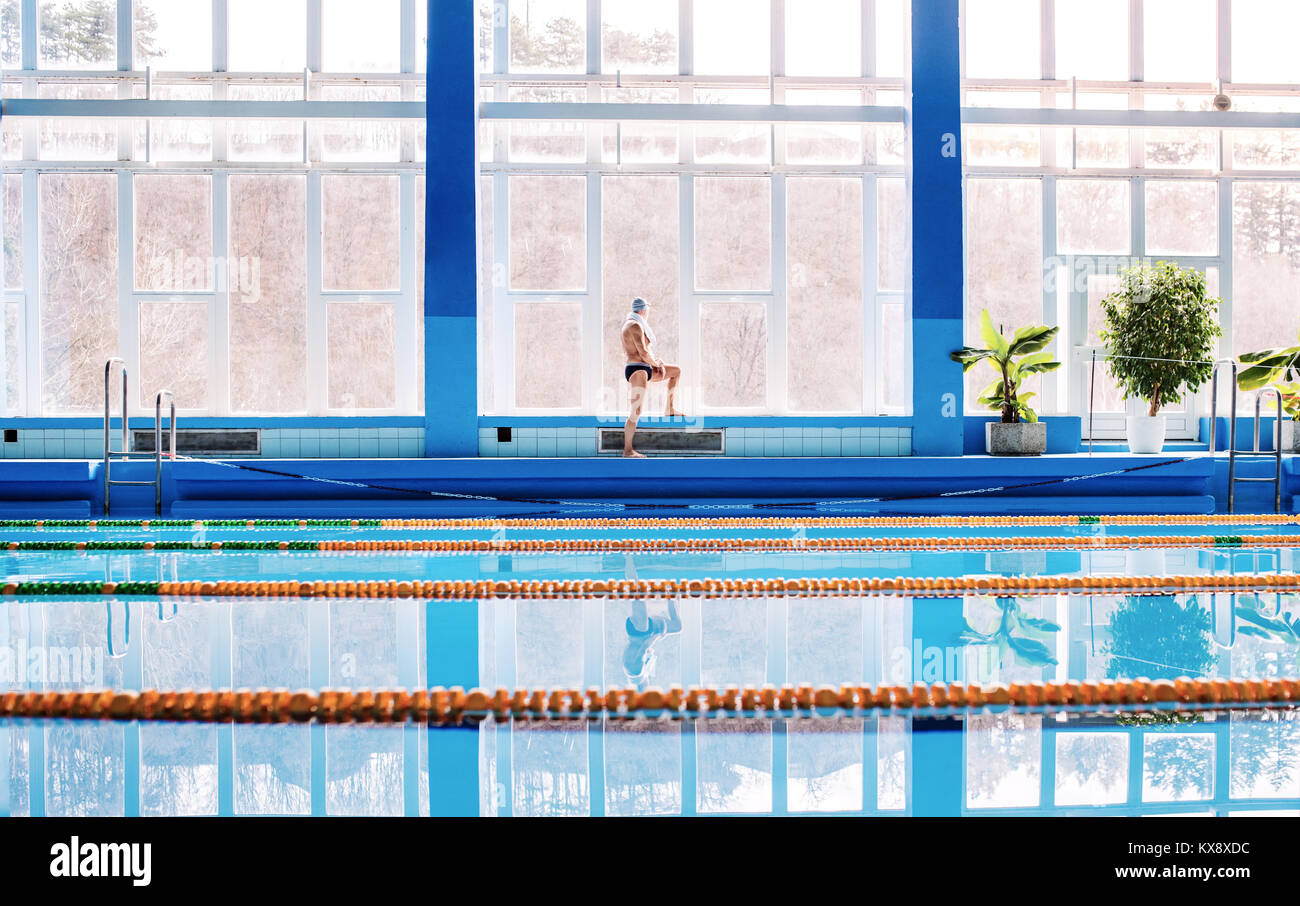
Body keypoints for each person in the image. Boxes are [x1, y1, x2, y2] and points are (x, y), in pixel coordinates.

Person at [621, 297, 683, 458]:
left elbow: (646, 352)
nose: (647, 314)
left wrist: (656, 364)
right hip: (637, 370)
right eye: (647, 311)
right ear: (643, 310)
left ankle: (669, 409)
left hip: (646, 367)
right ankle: (627, 451)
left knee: (676, 371)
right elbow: (642, 352)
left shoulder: (638, 324)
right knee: (636, 410)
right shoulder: (634, 325)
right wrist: (656, 364)